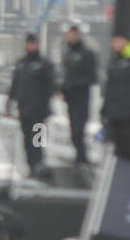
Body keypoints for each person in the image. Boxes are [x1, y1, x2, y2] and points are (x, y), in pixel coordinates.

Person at [6, 33, 57, 177]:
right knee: (27, 142)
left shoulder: (45, 64)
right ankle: (30, 168)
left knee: (38, 141)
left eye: (33, 43)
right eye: (29, 43)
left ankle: (39, 167)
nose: (31, 46)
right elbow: (14, 86)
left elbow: (52, 86)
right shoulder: (21, 63)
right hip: (24, 110)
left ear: (38, 45)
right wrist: (9, 102)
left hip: (39, 112)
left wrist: (44, 102)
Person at [59, 25, 99, 166]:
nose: (69, 38)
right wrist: (63, 89)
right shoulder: (67, 53)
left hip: (81, 98)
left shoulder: (87, 54)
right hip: (70, 98)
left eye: (71, 35)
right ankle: (79, 157)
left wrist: (75, 84)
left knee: (78, 129)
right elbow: (65, 75)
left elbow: (92, 77)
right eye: (67, 35)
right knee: (73, 130)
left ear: (78, 35)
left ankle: (82, 159)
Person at [102, 34, 130, 162]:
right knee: (118, 151)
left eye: (119, 42)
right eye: (114, 42)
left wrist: (128, 47)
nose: (115, 45)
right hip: (115, 114)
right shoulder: (113, 63)